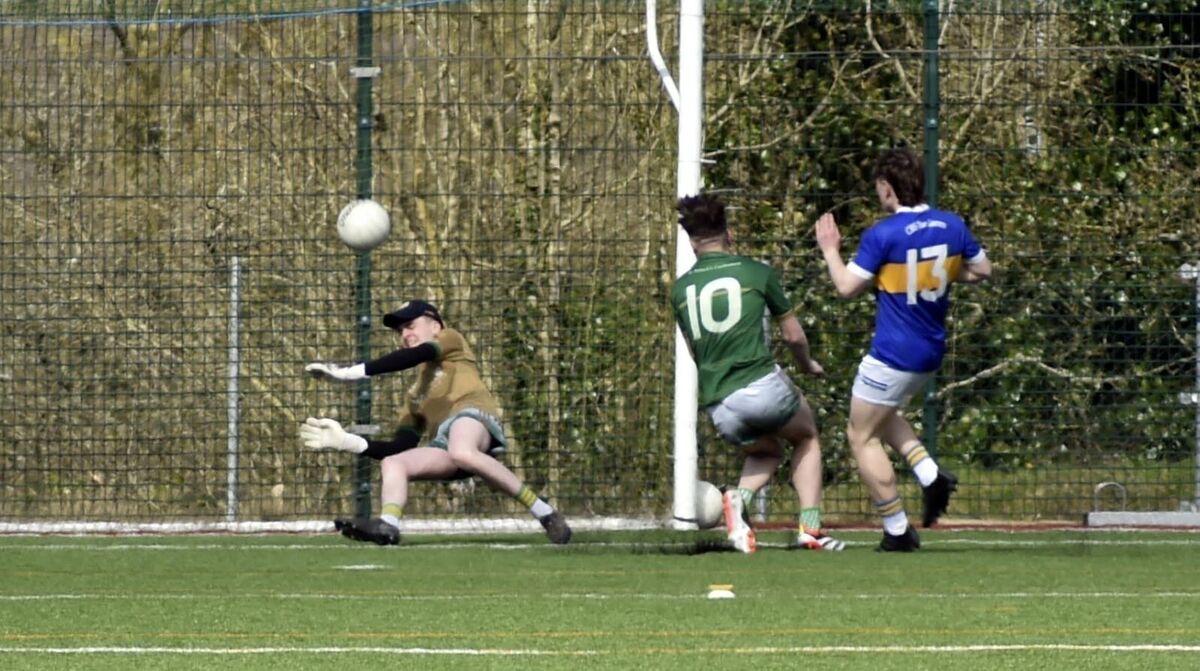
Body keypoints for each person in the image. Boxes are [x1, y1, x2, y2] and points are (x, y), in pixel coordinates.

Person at [814, 146, 992, 552]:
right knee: (883, 413)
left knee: (860, 436)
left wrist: (829, 250)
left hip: (892, 354)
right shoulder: (952, 224)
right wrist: (939, 275)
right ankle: (929, 474)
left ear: (887, 188)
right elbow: (983, 270)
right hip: (929, 353)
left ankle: (897, 529)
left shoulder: (883, 234)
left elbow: (845, 287)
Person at [299, 299, 572, 546]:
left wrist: (347, 374)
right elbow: (399, 447)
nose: (405, 335)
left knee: (461, 448)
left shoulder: (450, 340)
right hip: (448, 448)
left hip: (473, 417)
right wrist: (348, 441)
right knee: (393, 463)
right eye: (400, 331)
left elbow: (414, 357)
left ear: (435, 325)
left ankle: (545, 513)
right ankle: (388, 527)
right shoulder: (414, 395)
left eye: (410, 325)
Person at [671, 193, 844, 554]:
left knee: (767, 451)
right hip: (761, 384)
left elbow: (693, 350)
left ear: (691, 242)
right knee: (807, 435)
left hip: (719, 404)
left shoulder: (680, 291)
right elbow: (793, 335)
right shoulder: (757, 273)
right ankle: (810, 529)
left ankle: (738, 497)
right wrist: (807, 365)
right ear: (729, 235)